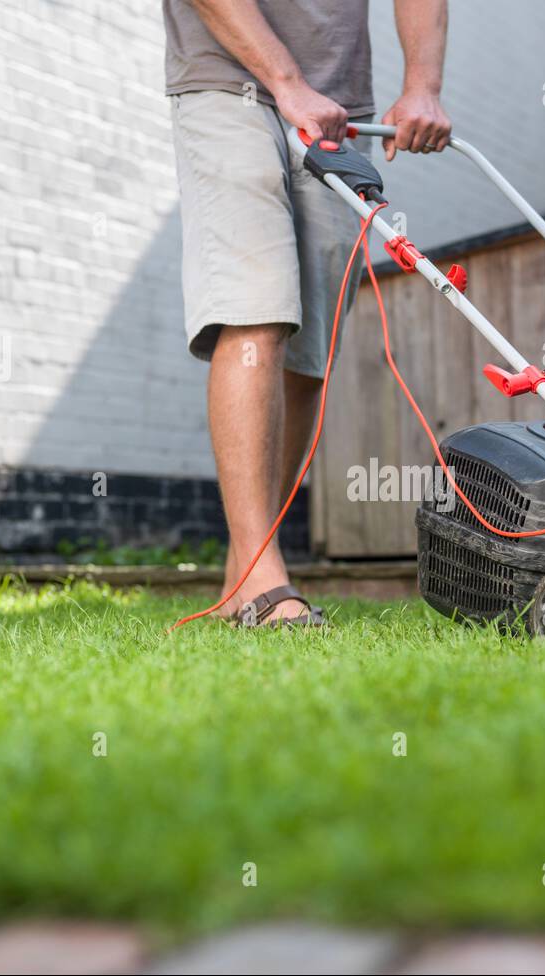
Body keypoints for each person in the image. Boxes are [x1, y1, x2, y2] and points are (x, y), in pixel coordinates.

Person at [163, 0, 452, 624]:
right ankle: (264, 582)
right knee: (256, 309)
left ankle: (242, 574)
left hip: (340, 106)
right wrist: (287, 82)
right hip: (226, 80)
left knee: (309, 346)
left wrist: (422, 86)